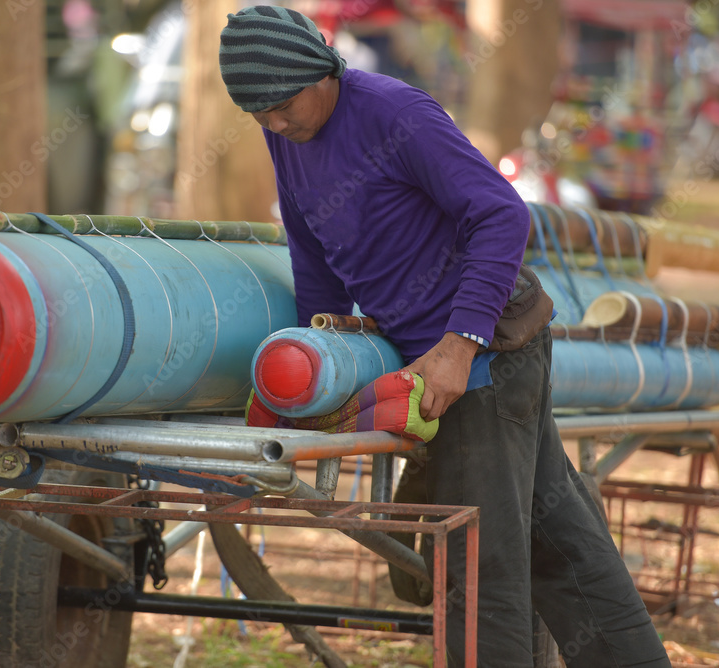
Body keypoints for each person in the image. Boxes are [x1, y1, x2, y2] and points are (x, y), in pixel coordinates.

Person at [219, 7, 670, 667]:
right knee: (555, 539)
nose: (275, 124)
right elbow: (310, 247)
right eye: (258, 115)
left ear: (323, 69)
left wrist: (460, 343)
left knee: (478, 561)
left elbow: (499, 214)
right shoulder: (287, 129)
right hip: (452, 356)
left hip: (488, 355)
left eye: (282, 106)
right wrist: (320, 353)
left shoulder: (396, 114)